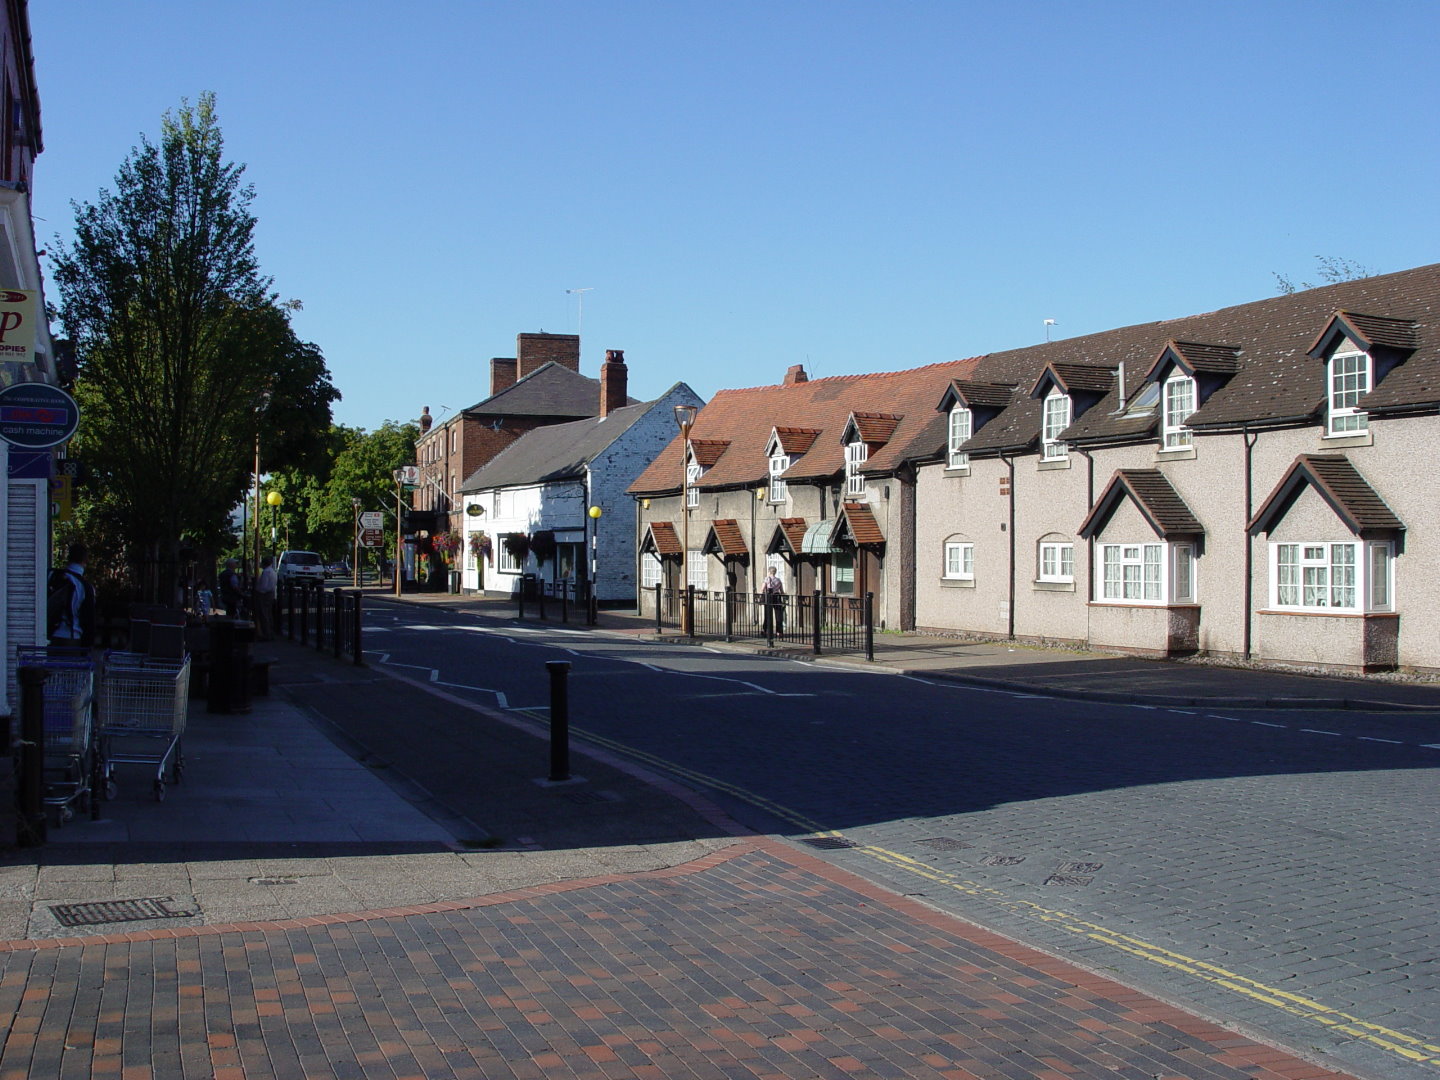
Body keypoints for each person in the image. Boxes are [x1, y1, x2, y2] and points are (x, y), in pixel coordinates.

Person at [47, 543, 96, 649]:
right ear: (85, 560)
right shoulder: (85, 587)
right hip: (71, 637)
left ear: (68, 557)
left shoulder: (51, 575)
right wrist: (87, 646)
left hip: (47, 635)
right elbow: (88, 620)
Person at [253, 556, 277, 640]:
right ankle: (270, 632)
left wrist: (258, 591)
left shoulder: (266, 572)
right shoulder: (273, 571)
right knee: (269, 614)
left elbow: (263, 586)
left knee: (263, 614)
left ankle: (266, 634)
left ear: (264, 564)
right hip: (270, 593)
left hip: (264, 594)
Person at [761, 565, 785, 635]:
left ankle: (766, 630)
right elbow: (782, 591)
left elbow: (762, 589)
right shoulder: (778, 580)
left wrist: (762, 594)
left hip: (768, 597)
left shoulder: (766, 579)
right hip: (777, 597)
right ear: (775, 572)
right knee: (778, 614)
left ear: (769, 572)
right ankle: (779, 631)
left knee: (767, 614)